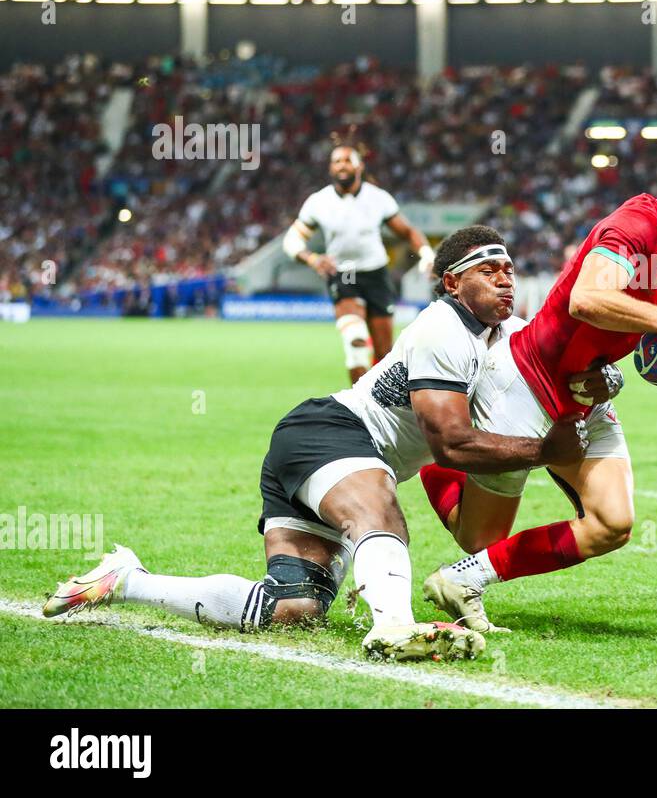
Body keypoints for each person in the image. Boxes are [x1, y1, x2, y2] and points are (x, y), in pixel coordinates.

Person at [43, 227, 591, 661]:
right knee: (381, 516)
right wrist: (546, 453)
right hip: (331, 433)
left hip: (319, 451)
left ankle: (127, 580)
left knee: (292, 607)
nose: (505, 279)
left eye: (509, 270)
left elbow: (559, 359)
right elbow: (450, 446)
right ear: (451, 283)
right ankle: (394, 628)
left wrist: (599, 378)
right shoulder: (443, 329)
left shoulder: (504, 334)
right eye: (487, 270)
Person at [418, 139, 657, 633]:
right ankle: (432, 460)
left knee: (613, 524)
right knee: (477, 533)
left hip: (588, 396)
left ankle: (461, 581)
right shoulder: (633, 227)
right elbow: (587, 299)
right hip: (527, 380)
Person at [283, 129, 436, 383]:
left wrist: (426, 254)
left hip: (375, 273)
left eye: (346, 160)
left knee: (385, 354)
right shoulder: (318, 201)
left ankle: (382, 406)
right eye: (336, 162)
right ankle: (358, 409)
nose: (341, 165)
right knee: (354, 343)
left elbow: (407, 231)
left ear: (360, 166)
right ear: (330, 168)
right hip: (343, 273)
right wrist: (311, 258)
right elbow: (292, 240)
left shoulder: (378, 198)